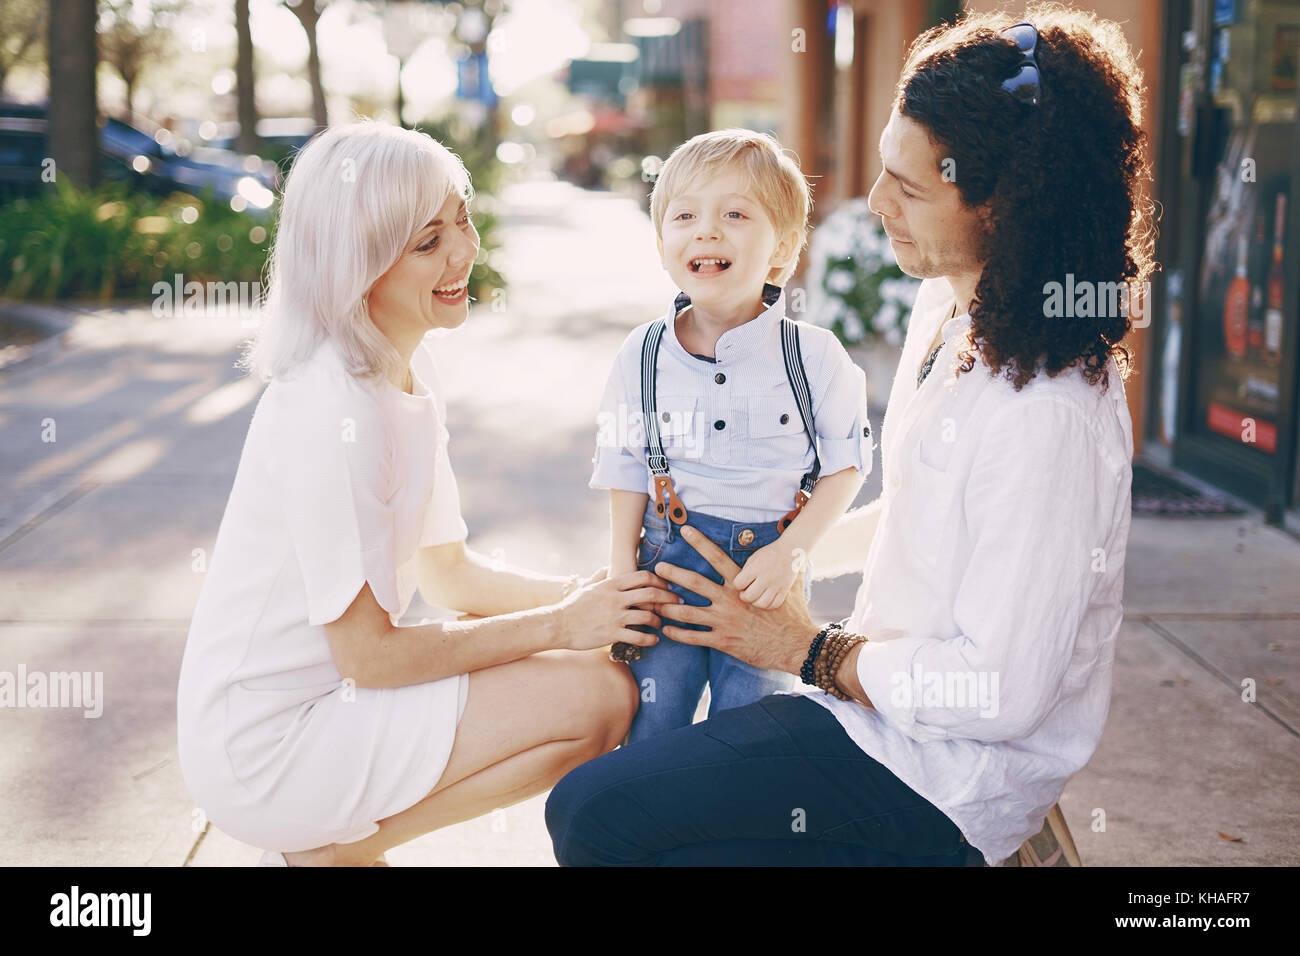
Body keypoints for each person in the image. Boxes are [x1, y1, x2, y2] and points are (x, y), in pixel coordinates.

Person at [546, 4, 1155, 866]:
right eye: (883, 172)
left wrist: (806, 648)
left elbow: (1000, 691)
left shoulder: (1045, 415)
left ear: (1000, 205)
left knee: (603, 818)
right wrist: (783, 554)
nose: (874, 206)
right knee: (594, 796)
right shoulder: (945, 309)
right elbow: (917, 517)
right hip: (876, 717)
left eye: (908, 188)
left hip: (951, 782)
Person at [175, 121, 675, 867]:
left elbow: (452, 577)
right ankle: (333, 852)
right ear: (357, 265)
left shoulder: (404, 369)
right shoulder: (331, 408)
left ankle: (336, 846)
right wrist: (562, 626)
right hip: (267, 745)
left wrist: (593, 598)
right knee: (596, 699)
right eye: (426, 242)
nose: (464, 252)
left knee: (593, 677)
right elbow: (370, 658)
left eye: (461, 219)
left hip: (331, 705)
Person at [590, 129, 872, 743]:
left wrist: (792, 552)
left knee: (750, 734)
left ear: (783, 250)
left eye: (735, 215)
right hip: (666, 573)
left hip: (765, 577)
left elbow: (845, 466)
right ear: (663, 243)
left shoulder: (816, 357)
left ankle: (734, 837)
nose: (707, 231)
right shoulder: (640, 355)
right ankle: (654, 834)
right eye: (684, 216)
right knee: (649, 725)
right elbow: (624, 465)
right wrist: (620, 570)